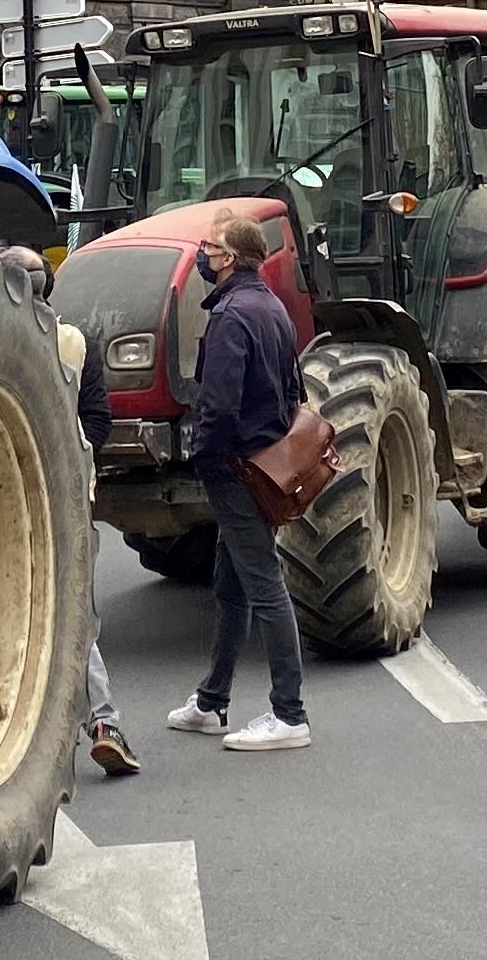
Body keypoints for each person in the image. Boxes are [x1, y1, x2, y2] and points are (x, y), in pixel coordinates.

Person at [165, 212, 311, 751]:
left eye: (209, 248)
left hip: (234, 466)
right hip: (265, 461)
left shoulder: (230, 316)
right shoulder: (272, 307)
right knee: (231, 585)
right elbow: (294, 387)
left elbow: (218, 404)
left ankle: (290, 715)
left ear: (229, 259)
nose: (203, 254)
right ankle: (211, 702)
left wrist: (202, 454)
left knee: (264, 585)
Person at [19, 247, 138, 778]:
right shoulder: (73, 342)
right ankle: (101, 722)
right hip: (69, 494)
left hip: (20, 495)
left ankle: (75, 724)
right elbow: (98, 421)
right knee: (69, 609)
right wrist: (72, 457)